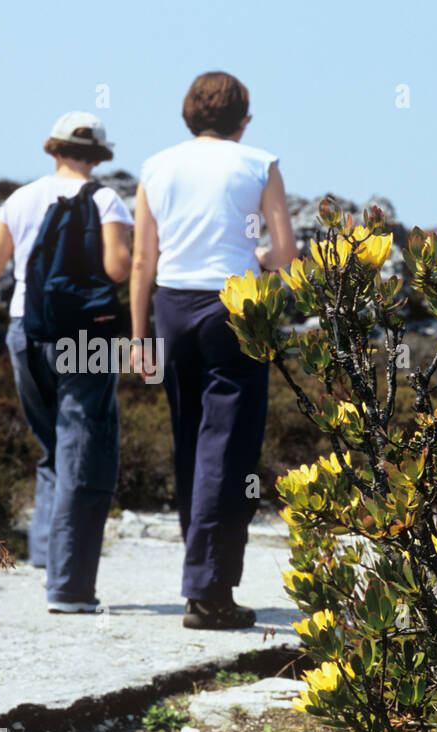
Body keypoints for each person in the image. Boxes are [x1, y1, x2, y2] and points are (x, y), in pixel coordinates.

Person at [130, 71, 297, 630]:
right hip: (236, 304)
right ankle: (209, 593)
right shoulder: (259, 163)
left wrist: (138, 339)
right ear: (243, 120)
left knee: (190, 442)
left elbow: (141, 262)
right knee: (228, 449)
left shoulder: (156, 167)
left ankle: (202, 581)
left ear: (188, 115)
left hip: (172, 308)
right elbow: (286, 253)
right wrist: (262, 265)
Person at [0, 112, 133, 612]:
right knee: (84, 448)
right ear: (99, 156)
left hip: (25, 331)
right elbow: (118, 269)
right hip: (86, 338)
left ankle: (43, 553)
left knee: (53, 443)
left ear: (53, 150)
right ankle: (69, 588)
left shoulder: (19, 199)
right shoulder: (106, 199)